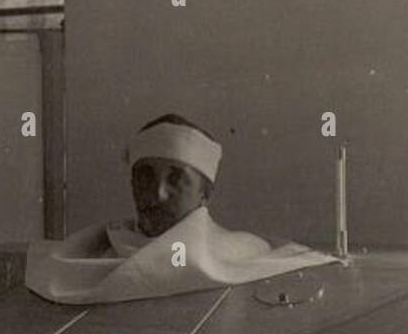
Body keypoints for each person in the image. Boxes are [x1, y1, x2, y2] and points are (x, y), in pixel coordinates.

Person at [25, 114, 335, 304]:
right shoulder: (92, 254)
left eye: (176, 180)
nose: (158, 194)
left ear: (205, 193)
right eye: (145, 177)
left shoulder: (241, 253)